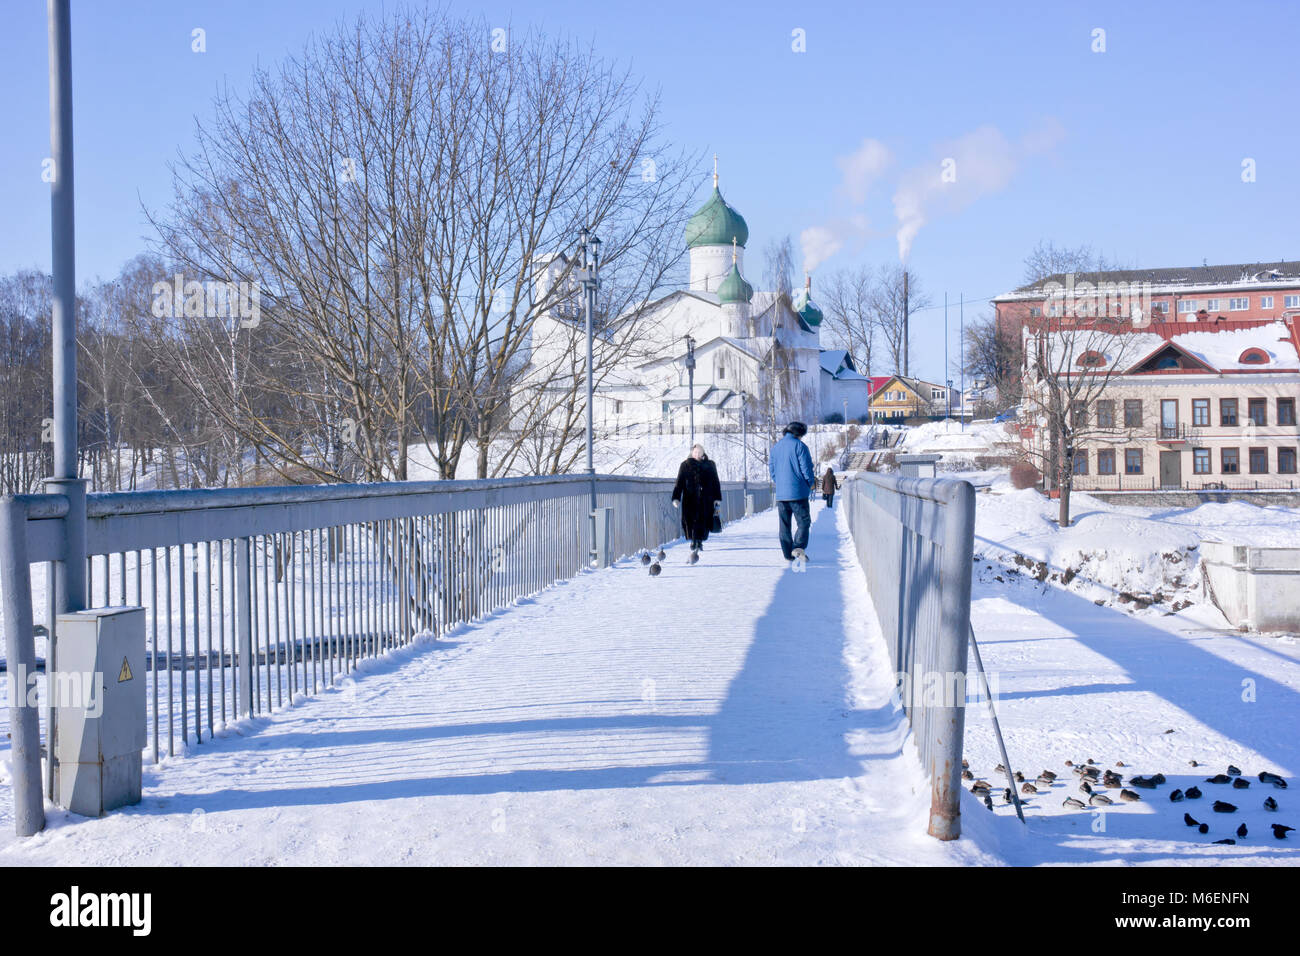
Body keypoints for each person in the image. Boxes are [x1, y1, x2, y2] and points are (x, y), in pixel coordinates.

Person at [769, 421, 815, 563]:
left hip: (782, 494)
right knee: (804, 522)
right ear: (799, 433)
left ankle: (787, 554)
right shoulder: (800, 446)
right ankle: (798, 549)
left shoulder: (775, 448)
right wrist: (809, 484)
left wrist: (781, 484)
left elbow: (772, 471)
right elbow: (806, 469)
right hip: (798, 492)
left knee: (784, 525)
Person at [672, 444, 722, 552]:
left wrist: (717, 498)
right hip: (690, 500)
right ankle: (693, 541)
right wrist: (676, 498)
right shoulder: (685, 465)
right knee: (691, 521)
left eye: (700, 452)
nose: (697, 454)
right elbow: (679, 482)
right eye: (695, 452)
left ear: (703, 453)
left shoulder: (710, 465)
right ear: (692, 453)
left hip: (706, 499)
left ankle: (699, 541)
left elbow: (716, 482)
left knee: (704, 521)